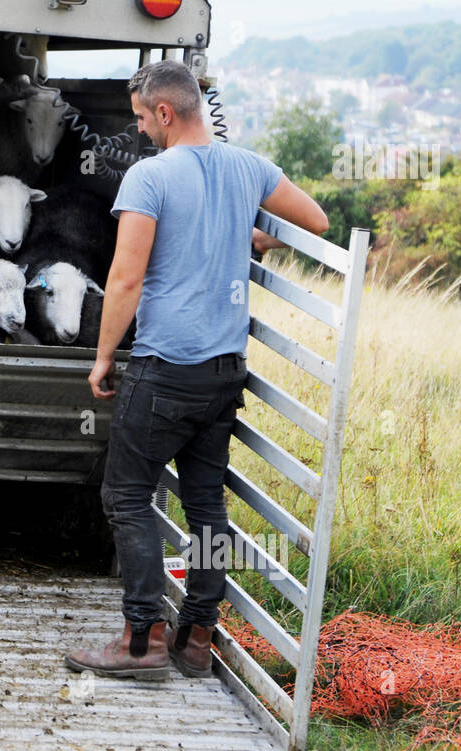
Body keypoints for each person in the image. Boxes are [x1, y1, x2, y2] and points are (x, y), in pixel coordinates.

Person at [64, 60, 328, 682]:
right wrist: (263, 236)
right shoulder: (250, 168)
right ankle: (196, 638)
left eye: (139, 117)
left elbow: (126, 278)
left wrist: (104, 357)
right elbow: (315, 221)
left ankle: (141, 641)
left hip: (165, 368)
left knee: (126, 495)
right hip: (223, 370)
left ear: (164, 111)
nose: (139, 131)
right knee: (206, 502)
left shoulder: (150, 178)